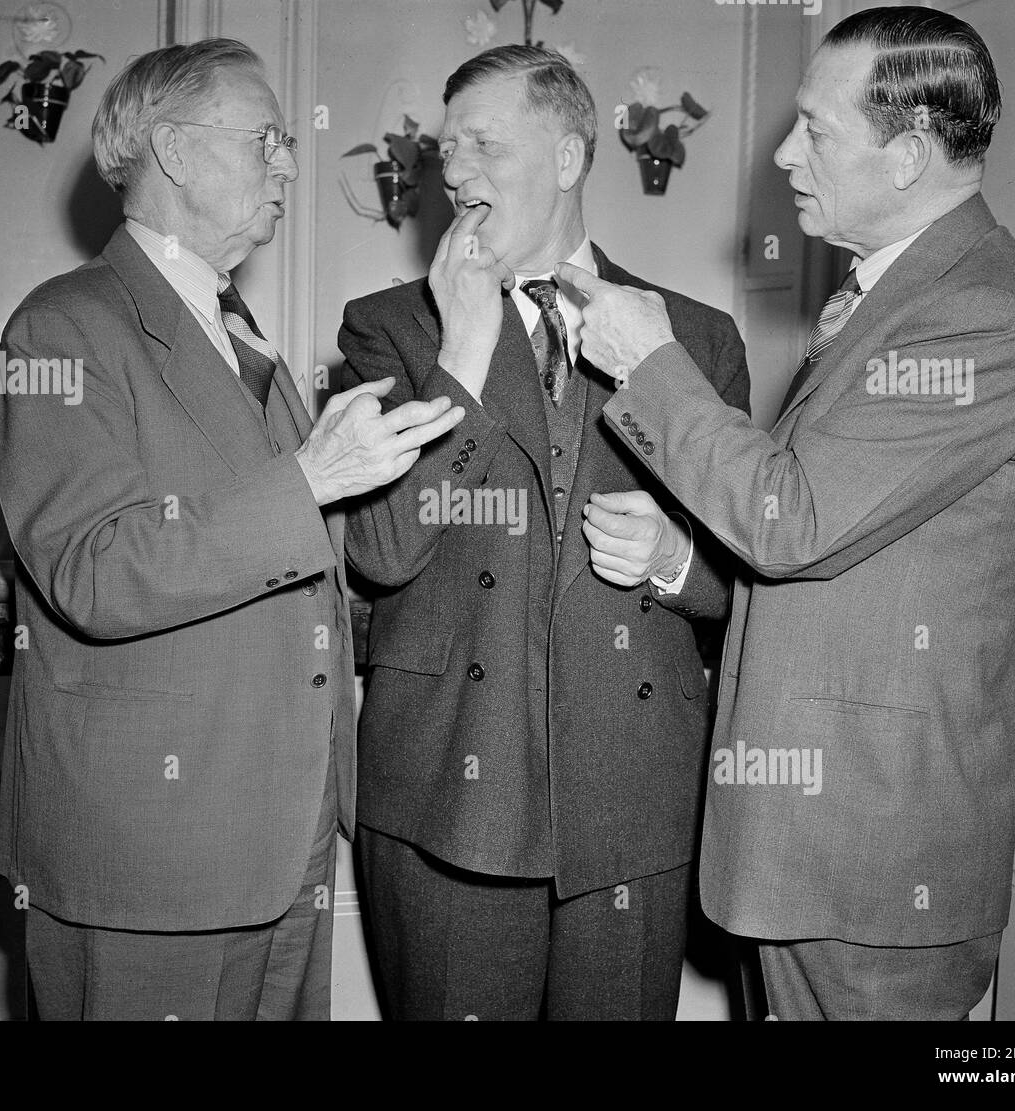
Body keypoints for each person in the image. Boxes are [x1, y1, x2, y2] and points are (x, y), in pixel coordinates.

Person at [558, 5, 1015, 1020]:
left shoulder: (984, 317)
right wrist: (681, 560)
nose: (783, 151)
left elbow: (789, 522)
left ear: (907, 154)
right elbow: (834, 549)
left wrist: (648, 360)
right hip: (813, 852)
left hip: (870, 865)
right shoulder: (892, 299)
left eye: (814, 128)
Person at [0, 38, 462, 1020]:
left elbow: (291, 568)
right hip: (152, 860)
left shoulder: (238, 332)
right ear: (171, 148)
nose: (290, 163)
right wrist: (311, 477)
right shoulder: (63, 325)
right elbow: (90, 567)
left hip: (282, 839)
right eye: (266, 140)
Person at [339, 45, 750, 1020]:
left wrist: (674, 558)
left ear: (569, 156)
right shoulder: (389, 329)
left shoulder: (693, 336)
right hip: (447, 798)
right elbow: (383, 549)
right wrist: (467, 351)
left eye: (486, 143)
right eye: (449, 152)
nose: (457, 173)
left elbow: (753, 572)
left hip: (633, 803)